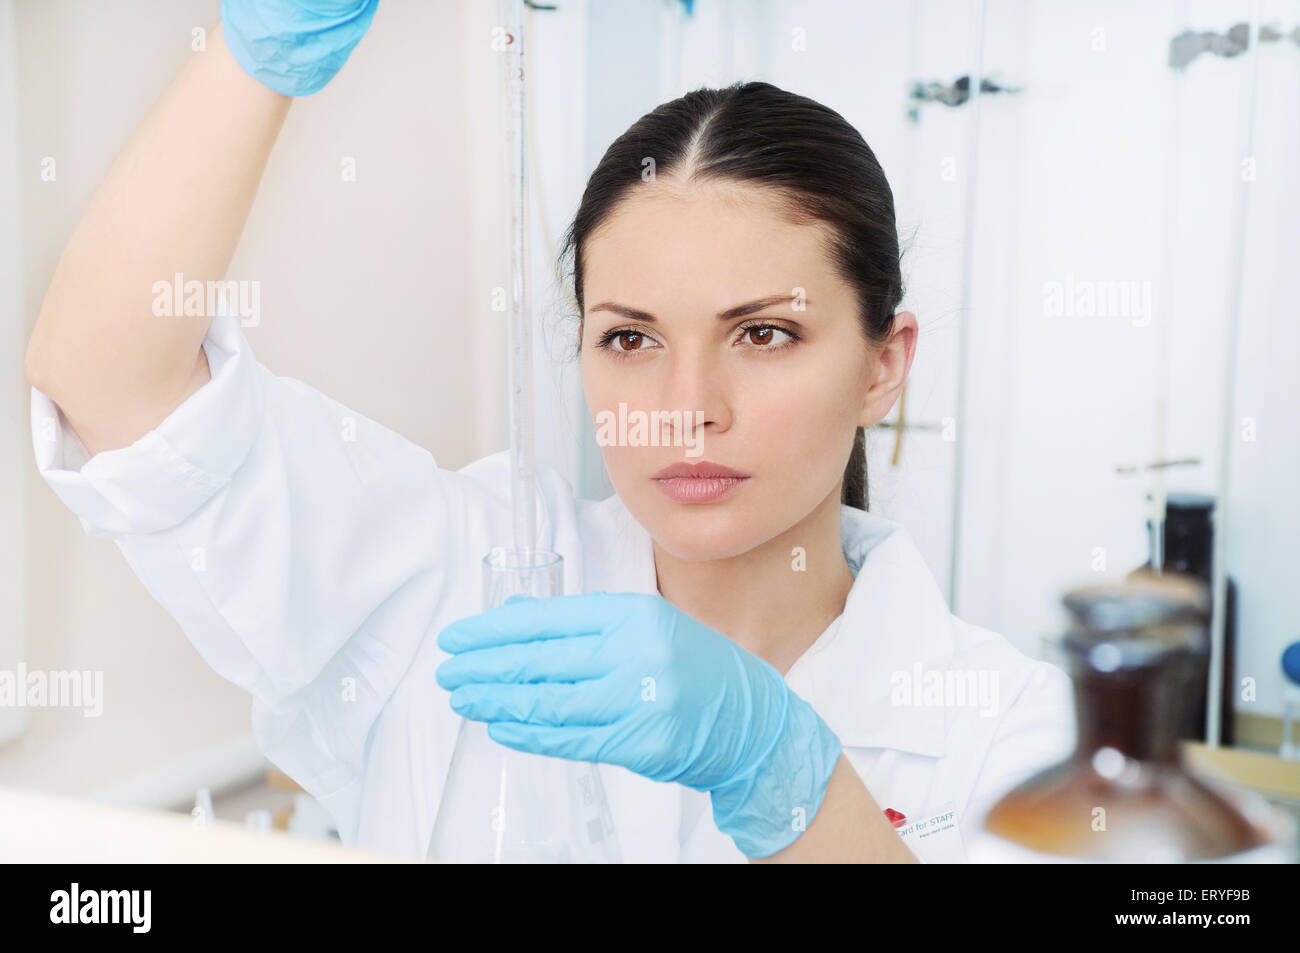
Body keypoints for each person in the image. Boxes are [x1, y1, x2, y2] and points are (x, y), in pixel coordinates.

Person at [24, 0, 1075, 862]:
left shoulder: (1006, 727)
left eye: (763, 332)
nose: (684, 401)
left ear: (882, 364)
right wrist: (254, 60)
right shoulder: (455, 577)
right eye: (629, 338)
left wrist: (782, 773)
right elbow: (105, 383)